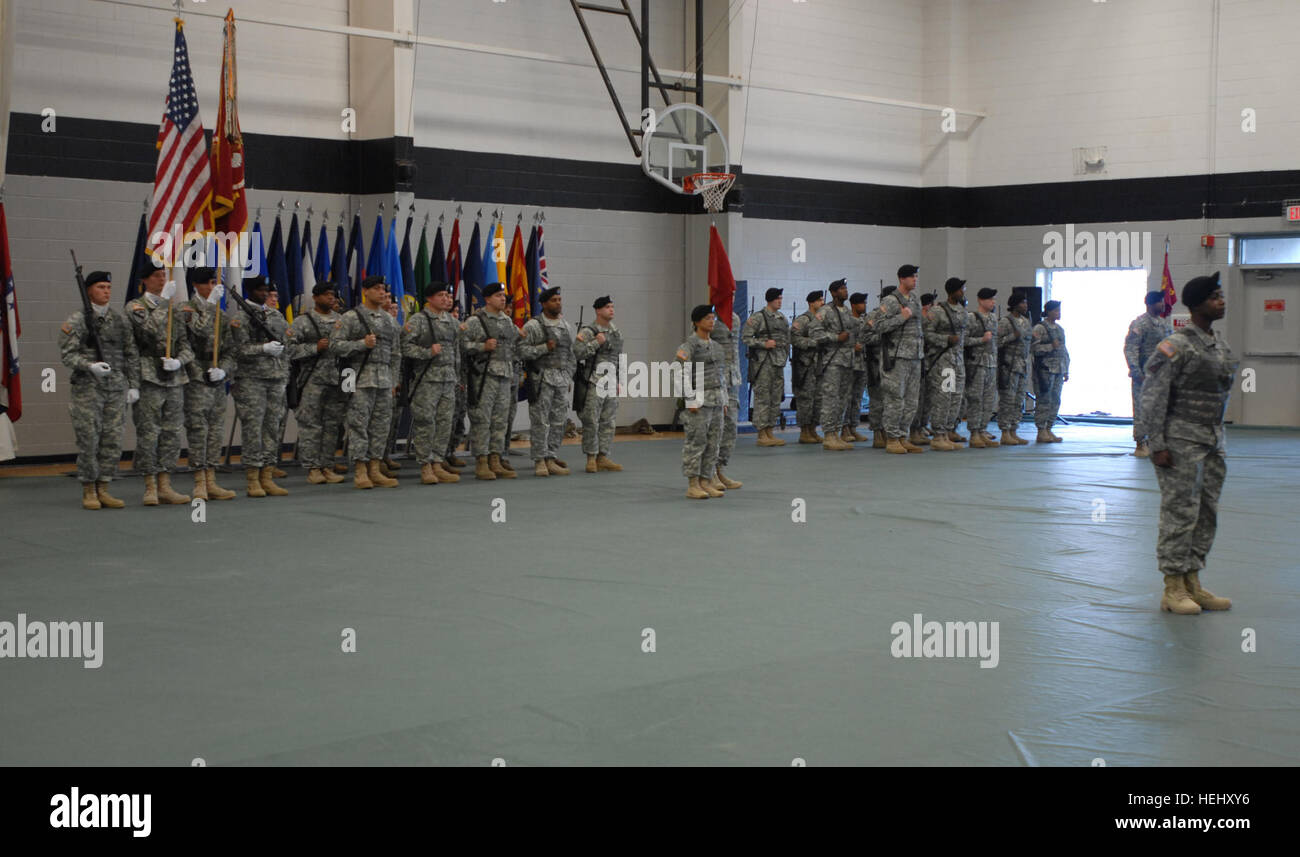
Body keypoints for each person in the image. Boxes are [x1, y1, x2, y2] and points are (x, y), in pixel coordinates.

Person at [1139, 272, 1236, 615]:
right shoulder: (1175, 345)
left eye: (1221, 295)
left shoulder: (1218, 344)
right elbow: (1153, 395)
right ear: (1196, 305)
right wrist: (1157, 442)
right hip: (1180, 441)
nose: (1221, 301)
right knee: (1180, 512)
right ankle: (1173, 587)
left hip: (1212, 440)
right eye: (1214, 297)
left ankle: (1193, 581)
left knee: (1206, 512)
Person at [58, 271, 139, 509]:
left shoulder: (120, 320)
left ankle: (104, 487)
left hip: (115, 387)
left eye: (108, 287)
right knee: (89, 440)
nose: (106, 291)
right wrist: (90, 365)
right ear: (89, 290)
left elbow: (130, 353)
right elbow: (67, 355)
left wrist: (133, 385)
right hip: (88, 389)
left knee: (112, 439)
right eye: (101, 287)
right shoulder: (76, 320)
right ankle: (89, 489)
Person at [127, 257, 194, 504]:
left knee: (172, 433)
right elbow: (148, 332)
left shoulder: (175, 309)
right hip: (149, 376)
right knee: (149, 432)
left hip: (174, 378)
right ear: (144, 280)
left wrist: (180, 361)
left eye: (164, 275)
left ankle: (165, 484)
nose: (162, 279)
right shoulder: (135, 307)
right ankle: (149, 486)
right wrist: (164, 301)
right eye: (156, 276)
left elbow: (186, 345)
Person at [331, 275, 402, 489]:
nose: (382, 292)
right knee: (358, 425)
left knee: (380, 427)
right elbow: (335, 346)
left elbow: (396, 353)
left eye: (384, 289)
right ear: (366, 291)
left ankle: (375, 468)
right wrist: (362, 344)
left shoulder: (390, 320)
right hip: (357, 377)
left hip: (383, 380)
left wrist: (393, 381)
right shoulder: (351, 317)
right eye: (377, 288)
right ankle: (360, 470)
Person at [229, 275, 291, 496]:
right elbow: (238, 350)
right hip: (251, 380)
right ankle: (253, 479)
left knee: (272, 428)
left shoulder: (276, 316)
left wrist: (284, 376)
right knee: (253, 429)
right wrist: (262, 349)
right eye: (260, 290)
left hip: (275, 379)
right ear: (250, 291)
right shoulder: (240, 318)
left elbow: (286, 348)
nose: (265, 293)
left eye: (267, 289)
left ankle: (268, 474)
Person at [182, 268, 237, 501]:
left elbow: (230, 350)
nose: (215, 286)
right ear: (197, 285)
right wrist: (208, 305)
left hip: (216, 378)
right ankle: (198, 482)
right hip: (196, 377)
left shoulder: (221, 316)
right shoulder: (186, 309)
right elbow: (199, 332)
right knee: (198, 430)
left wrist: (223, 369)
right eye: (210, 282)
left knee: (215, 431)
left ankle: (211, 480)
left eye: (216, 282)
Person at [399, 282, 462, 485]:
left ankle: (437, 462)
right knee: (426, 423)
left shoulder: (452, 322)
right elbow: (404, 347)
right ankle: (425, 466)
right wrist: (426, 353)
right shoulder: (418, 320)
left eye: (447, 295)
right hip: (426, 380)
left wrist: (457, 376)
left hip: (448, 380)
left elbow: (456, 351)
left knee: (445, 423)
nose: (446, 298)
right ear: (429, 299)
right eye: (441, 295)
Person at [287, 282, 346, 485]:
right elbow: (289, 350)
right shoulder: (303, 322)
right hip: (312, 380)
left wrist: (349, 384)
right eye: (328, 295)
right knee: (311, 425)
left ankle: (327, 465)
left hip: (337, 380)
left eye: (334, 295)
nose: (332, 298)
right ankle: (313, 468)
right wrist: (314, 348)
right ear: (316, 297)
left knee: (332, 425)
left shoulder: (342, 320)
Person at [462, 283, 521, 480]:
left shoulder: (507, 321)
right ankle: (481, 461)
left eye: (503, 295)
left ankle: (496, 459)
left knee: (500, 421)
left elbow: (514, 347)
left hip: (505, 375)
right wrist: (481, 346)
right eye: (498, 295)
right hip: (484, 377)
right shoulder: (475, 321)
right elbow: (461, 346)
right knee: (482, 420)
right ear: (487, 299)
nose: (503, 299)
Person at [520, 286, 576, 477]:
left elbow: (571, 355)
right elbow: (520, 351)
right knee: (540, 422)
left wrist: (568, 375)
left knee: (558, 421)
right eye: (553, 300)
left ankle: (551, 456)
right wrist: (544, 348)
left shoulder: (566, 327)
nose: (558, 303)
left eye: (559, 300)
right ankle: (539, 460)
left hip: (561, 380)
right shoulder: (533, 326)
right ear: (543, 304)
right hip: (541, 380)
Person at [875, 264, 925, 454]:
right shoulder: (890, 301)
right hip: (897, 358)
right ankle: (892, 438)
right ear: (901, 279)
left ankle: (903, 435)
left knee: (911, 401)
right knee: (895, 400)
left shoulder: (914, 300)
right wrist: (900, 318)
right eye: (912, 276)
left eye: (916, 276)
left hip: (915, 356)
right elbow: (878, 326)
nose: (915, 279)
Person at [678, 305, 727, 499]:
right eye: (707, 318)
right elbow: (679, 373)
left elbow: (720, 375)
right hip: (698, 402)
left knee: (713, 443)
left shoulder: (716, 346)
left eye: (713, 317)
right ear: (697, 322)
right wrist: (689, 399)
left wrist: (723, 399)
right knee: (696, 442)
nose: (711, 321)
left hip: (715, 401)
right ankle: (693, 483)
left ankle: (706, 481)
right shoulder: (688, 346)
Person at [575, 295, 624, 472]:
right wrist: (596, 342)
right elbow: (577, 353)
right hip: (594, 381)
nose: (611, 310)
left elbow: (619, 358)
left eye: (612, 306)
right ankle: (591, 457)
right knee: (591, 420)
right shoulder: (589, 331)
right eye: (607, 307)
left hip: (611, 382)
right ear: (598, 310)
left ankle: (603, 456)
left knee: (608, 421)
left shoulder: (616, 332)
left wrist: (619, 380)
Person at [1125, 290, 1174, 458]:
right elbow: (1131, 348)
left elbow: (1170, 347)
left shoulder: (1164, 324)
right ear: (1150, 304)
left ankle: (1156, 442)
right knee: (1141, 409)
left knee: (1160, 410)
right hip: (1144, 376)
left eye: (1163, 302)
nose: (1163, 304)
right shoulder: (1140, 324)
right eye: (1160, 302)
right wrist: (1136, 371)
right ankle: (1140, 443)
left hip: (1162, 376)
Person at [741, 287, 790, 447]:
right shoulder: (758, 318)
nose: (780, 301)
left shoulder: (782, 318)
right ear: (770, 300)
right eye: (778, 299)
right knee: (763, 397)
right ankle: (761, 433)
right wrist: (763, 343)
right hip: (763, 363)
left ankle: (770, 431)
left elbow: (786, 339)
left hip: (778, 362)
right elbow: (746, 338)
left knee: (775, 398)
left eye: (781, 299)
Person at [924, 278, 968, 452]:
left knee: (956, 398)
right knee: (944, 398)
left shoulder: (963, 312)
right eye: (960, 290)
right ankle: (938, 435)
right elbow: (927, 334)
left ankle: (948, 432)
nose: (963, 292)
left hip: (958, 361)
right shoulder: (937, 311)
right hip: (944, 362)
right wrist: (945, 339)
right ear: (952, 291)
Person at [812, 278, 855, 451]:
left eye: (846, 288)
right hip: (833, 361)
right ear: (833, 292)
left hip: (847, 360)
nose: (845, 291)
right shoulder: (825, 311)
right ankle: (829, 435)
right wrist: (835, 338)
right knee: (830, 399)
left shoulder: (847, 311)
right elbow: (815, 333)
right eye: (842, 288)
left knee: (843, 399)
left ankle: (837, 432)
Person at [708, 308, 744, 488]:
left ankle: (720, 469)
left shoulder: (735, 318)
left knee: (730, 426)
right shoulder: (709, 320)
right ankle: (708, 473)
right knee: (714, 429)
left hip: (732, 379)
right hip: (714, 381)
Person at [964, 287, 1000, 447]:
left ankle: (982, 430)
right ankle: (974, 433)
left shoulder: (993, 318)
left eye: (993, 299)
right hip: (976, 364)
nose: (993, 302)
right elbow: (963, 341)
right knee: (976, 399)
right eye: (990, 299)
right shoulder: (971, 318)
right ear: (981, 300)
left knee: (988, 399)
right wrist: (981, 340)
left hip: (991, 364)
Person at [996, 293, 1033, 445]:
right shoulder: (1005, 322)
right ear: (1015, 304)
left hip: (1022, 366)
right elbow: (996, 342)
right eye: (1023, 303)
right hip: (1009, 366)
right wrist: (1012, 336)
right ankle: (1005, 432)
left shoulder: (1026, 321)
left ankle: (1013, 430)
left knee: (1019, 400)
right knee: (1008, 400)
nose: (1025, 305)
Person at [1031, 299, 1069, 442]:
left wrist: (1066, 369)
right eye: (1056, 310)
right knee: (1044, 399)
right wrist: (1050, 347)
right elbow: (1034, 349)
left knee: (1055, 399)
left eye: (1059, 310)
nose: (1058, 313)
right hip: (1045, 370)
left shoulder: (1059, 329)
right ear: (1048, 311)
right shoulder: (1039, 328)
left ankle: (1049, 428)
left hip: (1058, 368)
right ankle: (1041, 430)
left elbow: (1064, 350)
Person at [791, 290, 824, 443]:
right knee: (806, 400)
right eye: (819, 301)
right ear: (812, 303)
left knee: (818, 400)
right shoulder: (803, 320)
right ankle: (804, 432)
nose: (822, 303)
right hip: (805, 367)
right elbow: (794, 339)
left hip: (819, 365)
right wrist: (813, 343)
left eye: (822, 300)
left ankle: (813, 429)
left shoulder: (821, 320)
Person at [863, 286, 894, 448]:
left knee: (892, 401)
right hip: (876, 363)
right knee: (877, 400)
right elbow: (865, 336)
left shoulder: (899, 316)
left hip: (895, 364)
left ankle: (890, 431)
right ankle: (877, 431)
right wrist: (883, 338)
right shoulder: (874, 315)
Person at [842, 292, 870, 443]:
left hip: (862, 364)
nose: (864, 305)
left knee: (858, 398)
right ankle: (844, 427)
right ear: (854, 305)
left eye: (865, 303)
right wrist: (853, 347)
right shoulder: (846, 320)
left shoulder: (865, 320)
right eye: (861, 303)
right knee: (847, 397)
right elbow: (840, 341)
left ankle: (853, 427)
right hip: (849, 363)